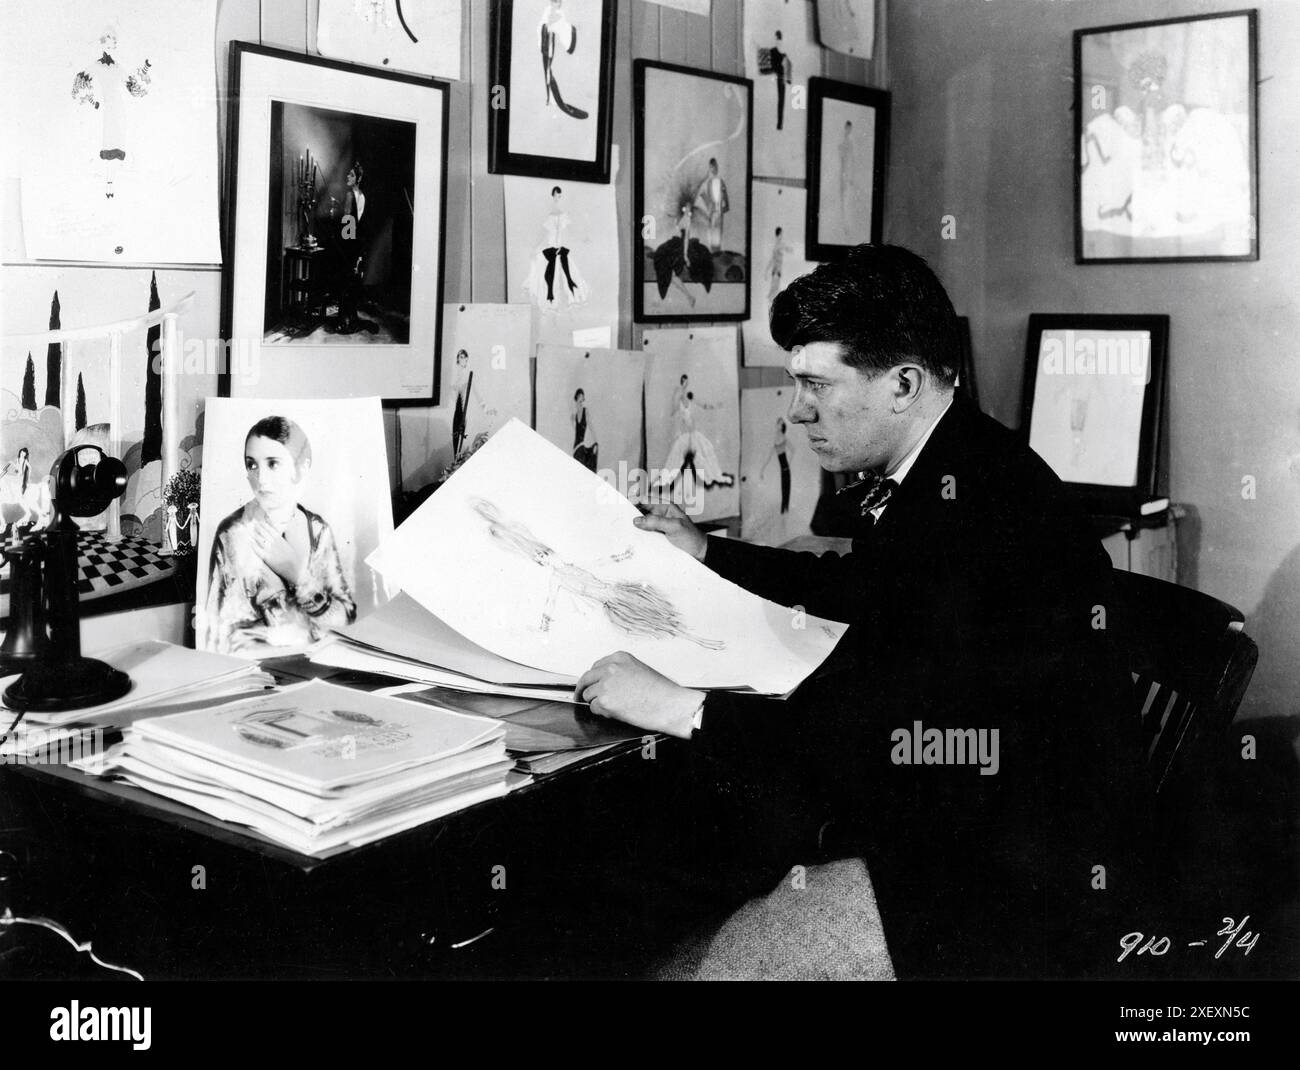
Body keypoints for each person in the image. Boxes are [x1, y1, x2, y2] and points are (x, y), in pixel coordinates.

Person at [575, 244, 1150, 979]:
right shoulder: (957, 461)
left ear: (904, 383)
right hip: (971, 824)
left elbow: (873, 741)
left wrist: (679, 706)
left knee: (686, 967)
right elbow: (863, 589)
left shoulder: (975, 511)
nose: (797, 409)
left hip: (996, 892)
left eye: (817, 383)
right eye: (794, 382)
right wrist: (712, 556)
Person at [203, 416, 356, 654]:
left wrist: (298, 575)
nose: (261, 479)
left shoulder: (317, 529)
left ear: (300, 468)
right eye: (251, 464)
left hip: (320, 664)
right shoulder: (232, 533)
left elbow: (346, 618)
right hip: (256, 670)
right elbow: (218, 631)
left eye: (273, 463)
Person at [523, 186, 589, 311]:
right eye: (556, 196)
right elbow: (541, 234)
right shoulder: (549, 217)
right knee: (548, 276)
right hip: (551, 250)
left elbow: (572, 230)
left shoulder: (564, 217)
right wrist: (534, 248)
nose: (558, 199)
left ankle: (566, 302)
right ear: (552, 198)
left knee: (569, 274)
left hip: (561, 250)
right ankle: (551, 304)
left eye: (560, 196)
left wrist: (583, 238)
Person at [539, 0, 589, 120]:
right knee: (547, 70)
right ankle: (551, 98)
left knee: (549, 70)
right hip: (548, 41)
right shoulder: (549, 13)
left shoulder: (558, 15)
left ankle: (553, 99)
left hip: (552, 42)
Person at [693, 158, 729, 253]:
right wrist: (708, 206)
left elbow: (725, 195)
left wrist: (725, 206)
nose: (714, 169)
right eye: (712, 167)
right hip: (711, 212)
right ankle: (711, 252)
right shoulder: (706, 182)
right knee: (711, 232)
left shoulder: (720, 181)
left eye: (715, 166)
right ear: (709, 168)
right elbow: (701, 194)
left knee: (718, 232)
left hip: (719, 210)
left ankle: (717, 252)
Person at [760, 416, 791, 514]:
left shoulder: (783, 437)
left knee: (786, 490)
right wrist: (762, 469)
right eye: (778, 423)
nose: (779, 425)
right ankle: (783, 512)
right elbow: (769, 456)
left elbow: (793, 450)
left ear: (782, 426)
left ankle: (785, 512)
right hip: (783, 468)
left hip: (785, 467)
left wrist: (788, 463)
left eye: (781, 423)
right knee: (784, 489)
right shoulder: (775, 439)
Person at [572, 388, 598, 472]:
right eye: (579, 397)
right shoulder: (573, 416)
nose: (581, 401)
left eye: (582, 398)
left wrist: (595, 442)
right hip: (575, 449)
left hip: (581, 447)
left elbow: (591, 427)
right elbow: (575, 432)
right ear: (576, 398)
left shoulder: (585, 411)